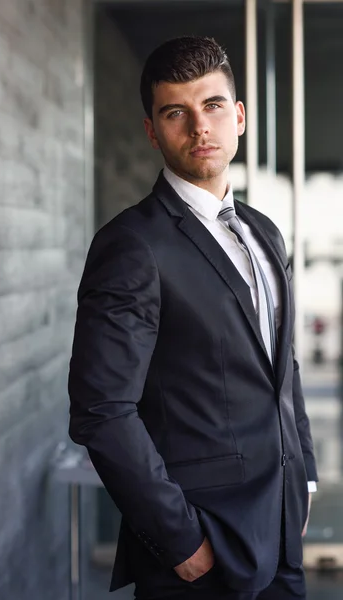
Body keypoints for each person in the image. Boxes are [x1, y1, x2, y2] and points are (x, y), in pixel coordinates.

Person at [68, 36, 318, 600]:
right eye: (175, 112)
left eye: (211, 106)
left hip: (279, 535)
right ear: (153, 131)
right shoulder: (132, 245)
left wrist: (302, 475)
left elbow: (283, 363)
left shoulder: (264, 231)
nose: (198, 127)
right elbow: (100, 410)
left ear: (239, 117)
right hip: (203, 552)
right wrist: (179, 541)